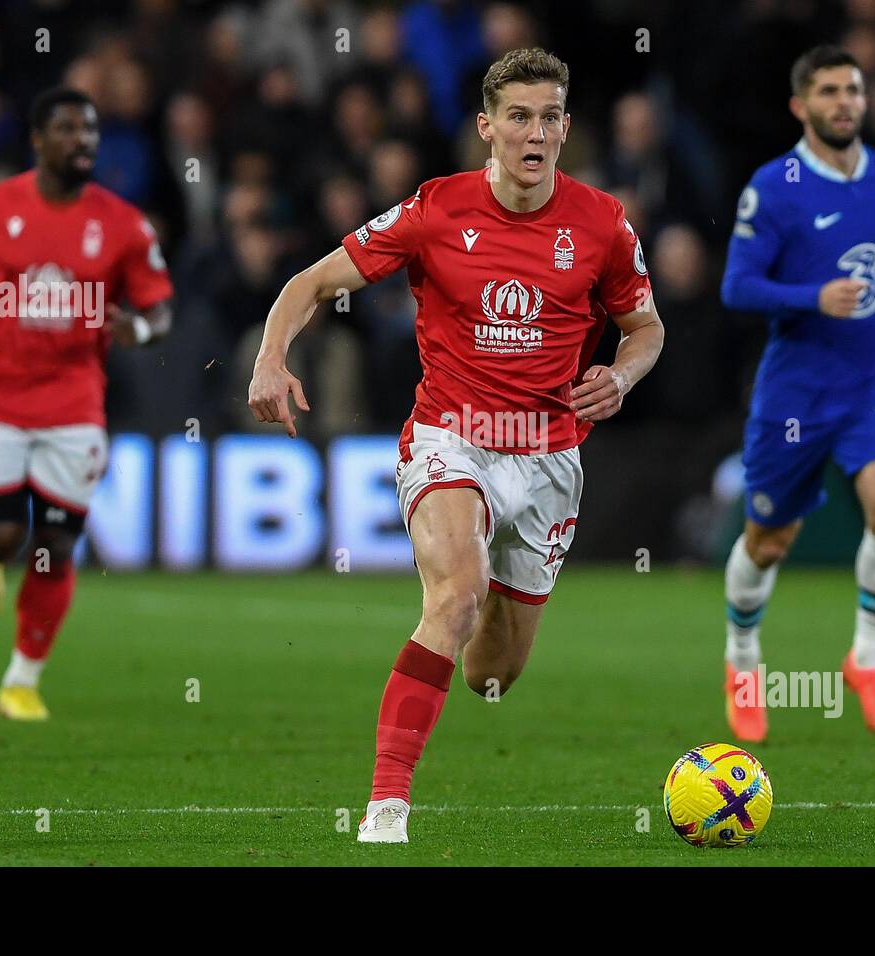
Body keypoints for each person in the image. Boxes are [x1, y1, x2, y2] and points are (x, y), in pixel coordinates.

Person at [248, 48, 663, 843]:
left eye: (549, 117)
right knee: (456, 595)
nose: (534, 132)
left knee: (491, 674)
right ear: (487, 127)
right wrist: (272, 359)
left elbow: (645, 327)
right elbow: (310, 283)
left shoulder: (603, 222)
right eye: (518, 116)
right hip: (452, 438)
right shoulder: (436, 209)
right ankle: (386, 807)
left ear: (566, 128)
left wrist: (623, 375)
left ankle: (459, 646)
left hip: (548, 458)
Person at [719, 46, 875, 742]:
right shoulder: (774, 185)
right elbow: (737, 286)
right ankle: (741, 662)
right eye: (829, 91)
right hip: (794, 389)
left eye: (853, 89)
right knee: (768, 540)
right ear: (802, 106)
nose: (845, 101)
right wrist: (811, 296)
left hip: (871, 378)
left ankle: (868, 661)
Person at [0, 87, 174, 721]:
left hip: (74, 403)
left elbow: (160, 310)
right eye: (67, 129)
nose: (83, 141)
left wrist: (138, 331)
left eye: (90, 130)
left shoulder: (123, 224)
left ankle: (21, 679)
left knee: (56, 546)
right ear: (38, 139)